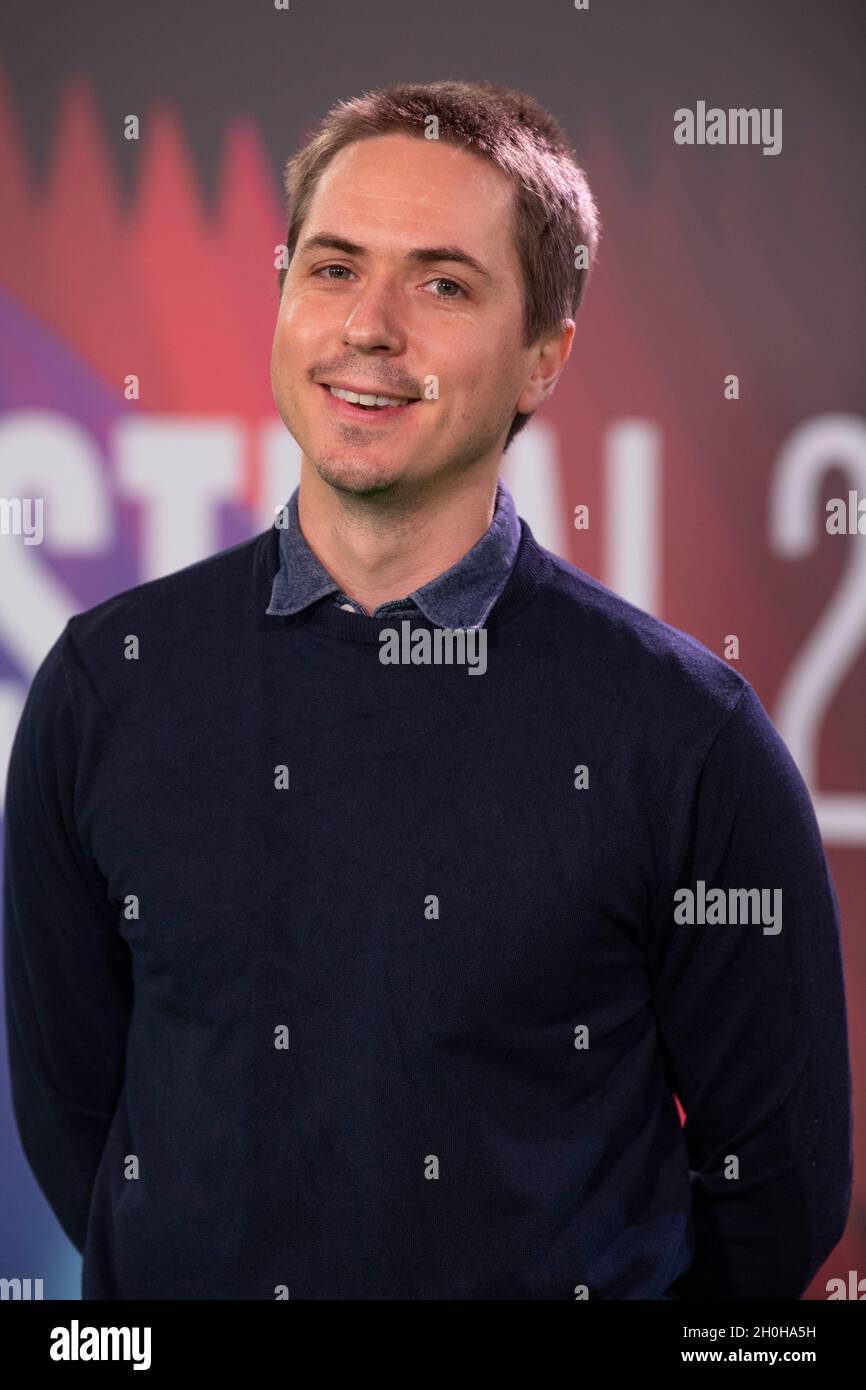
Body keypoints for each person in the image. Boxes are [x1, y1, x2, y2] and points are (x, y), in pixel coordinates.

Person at [2, 79, 852, 1300]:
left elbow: (775, 1192)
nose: (370, 326)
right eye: (333, 268)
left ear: (542, 359)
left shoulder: (686, 739)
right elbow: (78, 1113)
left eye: (443, 284)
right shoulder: (106, 685)